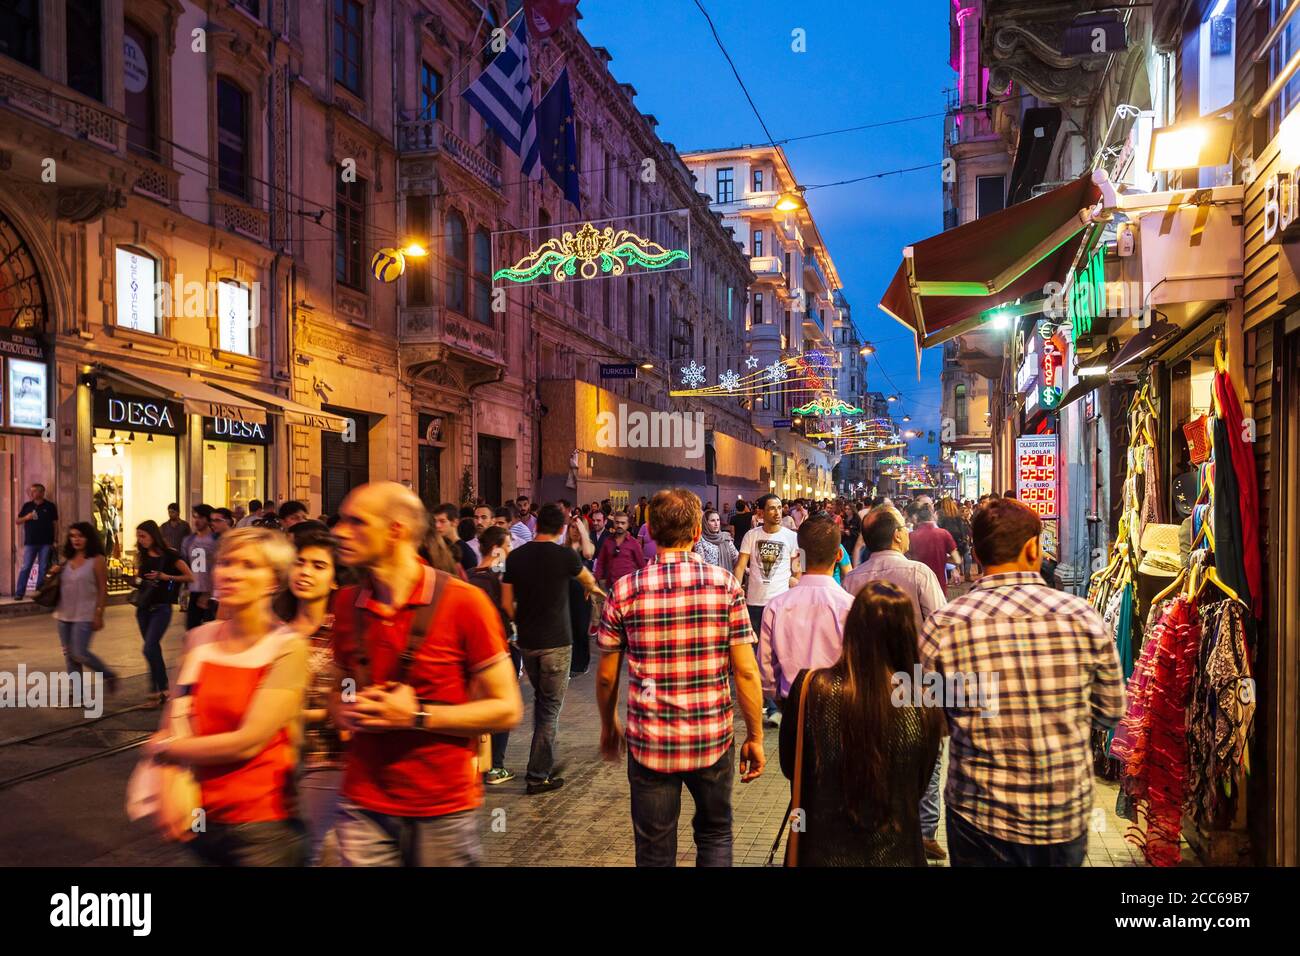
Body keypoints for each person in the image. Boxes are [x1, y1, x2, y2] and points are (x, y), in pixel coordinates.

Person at [921, 498, 1126, 866]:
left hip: (978, 816)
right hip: (1062, 815)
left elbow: (930, 722)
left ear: (977, 551)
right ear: (1033, 548)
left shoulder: (945, 624)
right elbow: (1111, 712)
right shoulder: (1081, 618)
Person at [328, 481, 522, 866]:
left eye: (356, 522)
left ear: (395, 530)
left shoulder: (464, 603)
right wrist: (347, 707)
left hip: (441, 809)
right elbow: (341, 687)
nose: (338, 532)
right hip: (363, 800)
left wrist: (416, 716)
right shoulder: (348, 602)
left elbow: (507, 709)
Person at [597, 488, 766, 867]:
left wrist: (609, 724)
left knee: (655, 850)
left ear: (650, 531)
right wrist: (755, 736)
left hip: (650, 744)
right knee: (715, 834)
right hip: (712, 737)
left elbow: (607, 678)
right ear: (695, 530)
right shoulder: (725, 586)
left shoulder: (625, 591)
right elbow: (745, 670)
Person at [144, 528, 309, 866]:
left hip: (260, 829)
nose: (232, 573)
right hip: (199, 815)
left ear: (273, 581)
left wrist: (163, 749)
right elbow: (172, 721)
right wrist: (166, 783)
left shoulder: (287, 647)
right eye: (227, 562)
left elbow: (247, 742)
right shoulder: (199, 639)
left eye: (249, 565)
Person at [780, 581, 943, 866]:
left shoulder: (811, 687)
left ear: (852, 629)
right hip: (899, 854)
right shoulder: (923, 702)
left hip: (821, 850)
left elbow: (789, 764)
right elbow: (920, 783)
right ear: (907, 634)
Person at [841, 506, 950, 859]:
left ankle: (881, 824)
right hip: (918, 682)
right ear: (898, 535)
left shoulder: (853, 579)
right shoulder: (919, 574)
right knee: (928, 759)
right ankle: (924, 831)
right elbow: (941, 627)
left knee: (875, 752)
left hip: (867, 681)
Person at [503, 503, 605, 794]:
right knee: (549, 710)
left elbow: (507, 605)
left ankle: (542, 760)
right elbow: (588, 580)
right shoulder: (564, 557)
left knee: (541, 701)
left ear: (536, 526)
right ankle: (538, 775)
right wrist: (595, 591)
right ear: (561, 529)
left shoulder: (516, 557)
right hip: (557, 643)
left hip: (528, 644)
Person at [284, 524, 347, 866]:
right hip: (277, 767)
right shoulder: (274, 633)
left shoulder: (344, 633)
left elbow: (350, 706)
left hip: (329, 763)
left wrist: (295, 714)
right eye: (300, 562)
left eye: (318, 566)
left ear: (335, 579)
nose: (305, 571)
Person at [759, 515, 853, 709]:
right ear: (838, 555)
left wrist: (776, 696)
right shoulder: (850, 606)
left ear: (800, 556)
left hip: (792, 702)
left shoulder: (776, 606)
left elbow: (766, 669)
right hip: (839, 702)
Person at [733, 493, 800, 725]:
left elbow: (797, 568)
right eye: (771, 508)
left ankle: (775, 704)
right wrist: (736, 590)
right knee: (755, 656)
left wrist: (795, 582)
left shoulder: (792, 537)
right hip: (754, 603)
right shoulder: (751, 536)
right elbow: (741, 565)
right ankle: (768, 705)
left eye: (780, 507)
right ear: (761, 513)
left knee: (777, 654)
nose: (777, 512)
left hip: (779, 603)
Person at [466, 526, 520, 786]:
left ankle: (477, 760)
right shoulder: (498, 580)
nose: (509, 551)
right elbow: (510, 613)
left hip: (470, 655)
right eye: (507, 546)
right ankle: (495, 766)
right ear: (497, 548)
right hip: (497, 652)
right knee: (499, 707)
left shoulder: (467, 577)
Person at [49, 522, 118, 693]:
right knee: (69, 655)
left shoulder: (97, 560)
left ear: (88, 538)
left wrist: (99, 613)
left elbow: (103, 589)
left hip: (85, 614)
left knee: (79, 653)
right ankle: (76, 691)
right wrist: (53, 572)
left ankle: (108, 674)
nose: (76, 539)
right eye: (72, 536)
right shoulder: (67, 560)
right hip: (64, 614)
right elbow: (55, 583)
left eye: (80, 536)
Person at [134, 520, 193, 706]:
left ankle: (164, 688)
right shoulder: (142, 556)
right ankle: (156, 691)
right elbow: (141, 580)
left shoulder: (169, 555)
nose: (140, 540)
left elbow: (189, 576)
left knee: (149, 647)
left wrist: (166, 578)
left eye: (143, 536)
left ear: (153, 535)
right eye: (138, 536)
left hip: (162, 607)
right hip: (143, 608)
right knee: (153, 650)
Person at [564, 516, 597, 677]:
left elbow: (588, 554)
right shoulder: (564, 548)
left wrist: (582, 527)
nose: (574, 530)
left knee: (581, 629)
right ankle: (570, 663)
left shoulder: (587, 546)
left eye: (578, 528)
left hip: (581, 595)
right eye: (572, 527)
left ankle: (581, 664)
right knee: (568, 629)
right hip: (566, 593)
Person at [14, 483, 58, 600]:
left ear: (41, 493)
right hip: (31, 542)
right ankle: (19, 593)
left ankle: (40, 592)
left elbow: (55, 524)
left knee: (43, 567)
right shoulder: (27, 506)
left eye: (34, 491)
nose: (31, 494)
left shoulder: (50, 506)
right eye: (31, 492)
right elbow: (17, 521)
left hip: (46, 542)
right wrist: (26, 517)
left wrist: (55, 540)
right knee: (26, 567)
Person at [908, 505, 962, 595]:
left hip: (917, 584)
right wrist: (946, 562)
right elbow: (957, 559)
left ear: (917, 519)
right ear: (932, 517)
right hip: (939, 584)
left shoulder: (911, 536)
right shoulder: (944, 533)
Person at [182, 506, 218, 631]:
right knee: (191, 631)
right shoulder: (188, 541)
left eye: (201, 518)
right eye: (194, 517)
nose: (196, 521)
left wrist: (209, 592)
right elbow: (185, 564)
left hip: (212, 593)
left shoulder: (216, 540)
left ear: (208, 520)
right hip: (194, 591)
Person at [593, 513, 646, 590]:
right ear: (613, 523)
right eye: (617, 522)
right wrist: (595, 579)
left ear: (628, 525)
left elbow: (642, 565)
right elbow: (601, 562)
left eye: (623, 523)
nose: (619, 525)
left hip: (628, 587)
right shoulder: (607, 542)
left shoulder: (634, 543)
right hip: (610, 587)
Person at [433, 503, 476, 572]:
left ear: (455, 522)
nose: (437, 525)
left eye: (442, 521)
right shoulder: (435, 548)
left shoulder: (466, 552)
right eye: (435, 521)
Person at [938, 497, 972, 581]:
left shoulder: (941, 515)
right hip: (959, 539)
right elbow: (961, 527)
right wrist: (964, 538)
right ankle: (967, 574)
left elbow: (939, 527)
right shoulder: (956, 514)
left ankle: (951, 576)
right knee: (966, 556)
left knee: (949, 558)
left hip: (947, 538)